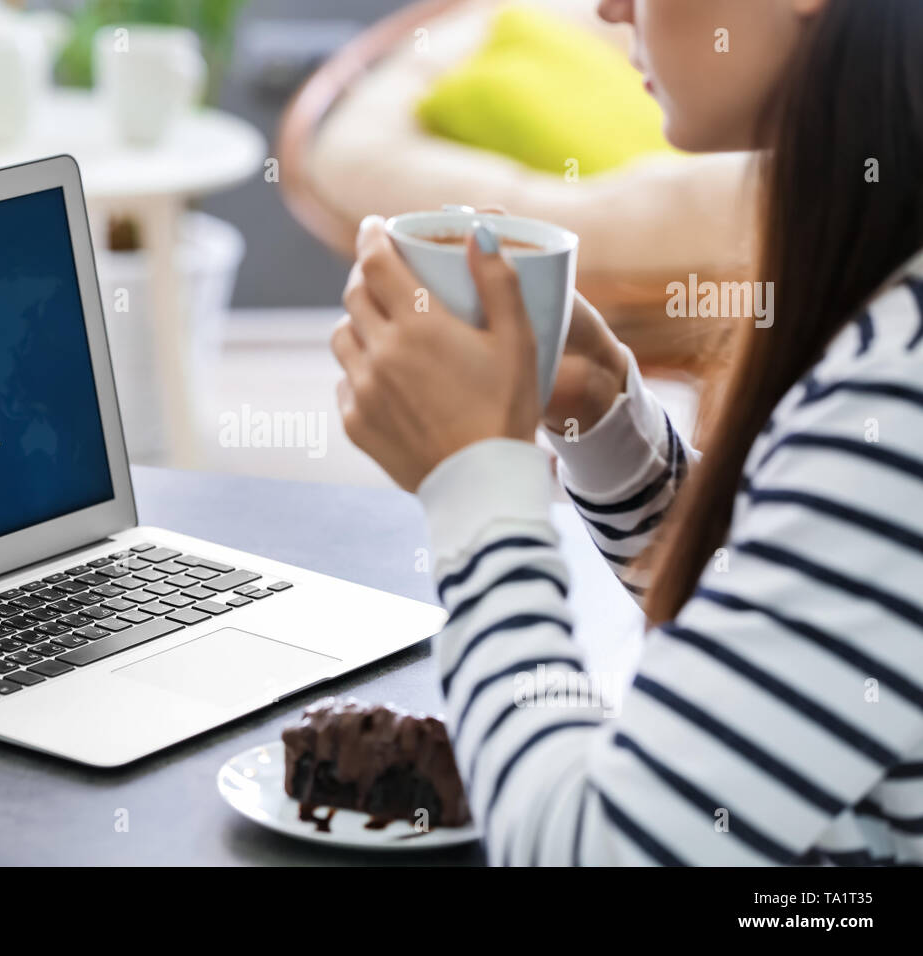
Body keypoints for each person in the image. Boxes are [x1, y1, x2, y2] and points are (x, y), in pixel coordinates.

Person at [333, 0, 923, 864]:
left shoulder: (892, 403)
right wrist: (606, 423)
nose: (611, 8)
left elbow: (590, 849)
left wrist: (474, 482)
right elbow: (795, 633)